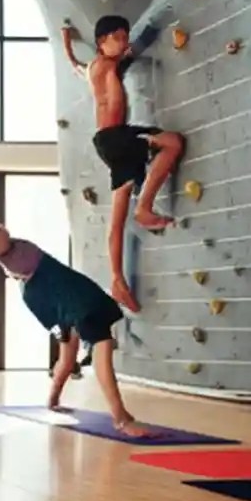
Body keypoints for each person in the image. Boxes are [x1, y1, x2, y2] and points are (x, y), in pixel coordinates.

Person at [0, 221, 153, 437]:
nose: (0, 235)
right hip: (60, 298)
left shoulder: (14, 247)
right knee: (102, 343)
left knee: (69, 351)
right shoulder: (7, 258)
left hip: (65, 292)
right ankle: (121, 418)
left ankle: (52, 400)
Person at [62, 16, 184, 313]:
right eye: (119, 36)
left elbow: (75, 66)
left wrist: (67, 42)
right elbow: (132, 52)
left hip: (107, 140)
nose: (125, 41)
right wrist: (153, 29)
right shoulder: (108, 65)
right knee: (172, 143)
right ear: (104, 40)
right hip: (117, 137)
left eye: (126, 35)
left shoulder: (92, 68)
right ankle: (144, 208)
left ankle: (116, 279)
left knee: (117, 217)